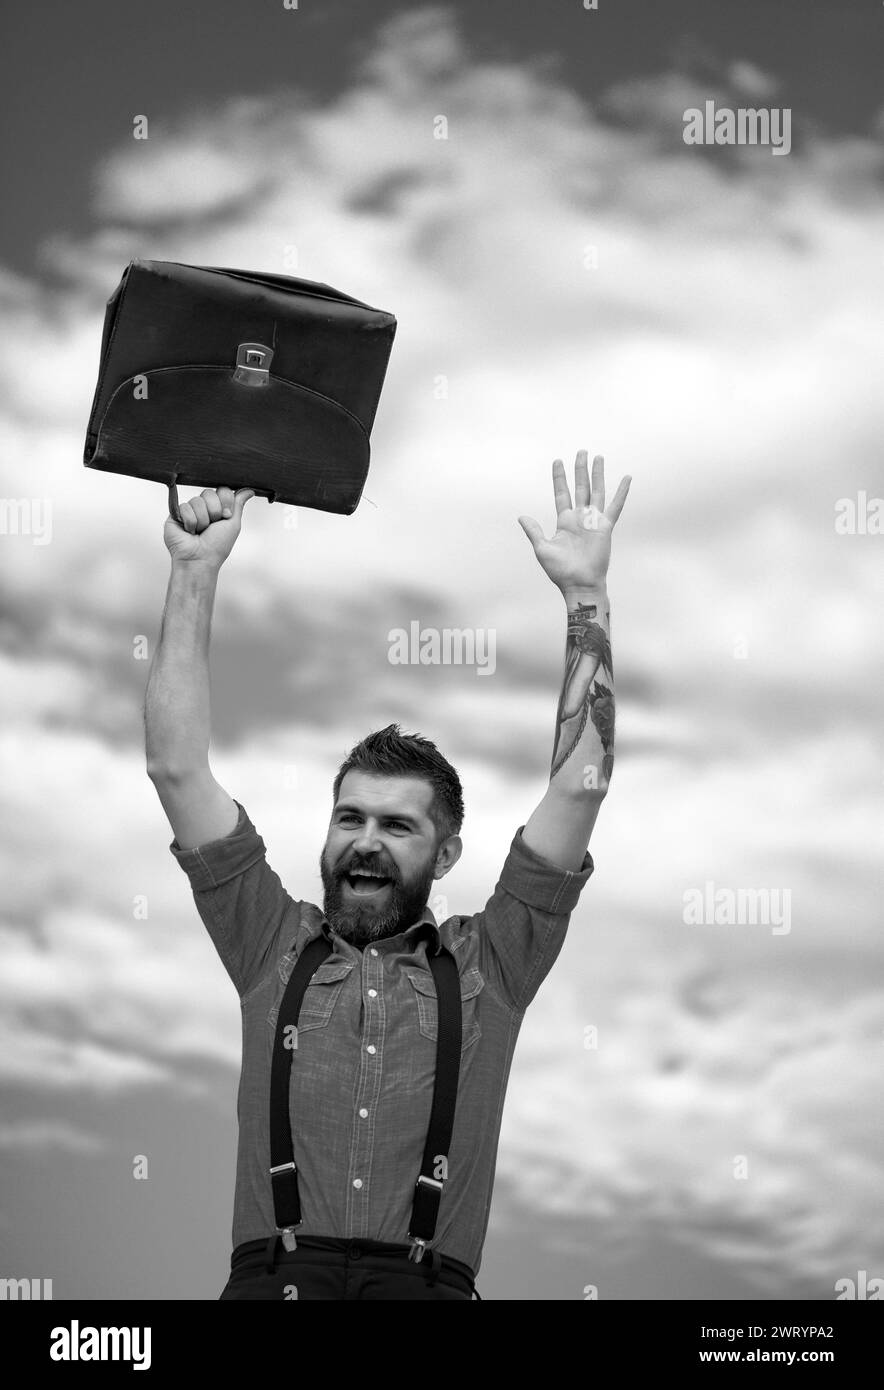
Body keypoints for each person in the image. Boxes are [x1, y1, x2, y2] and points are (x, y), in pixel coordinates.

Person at [145, 450, 631, 1300]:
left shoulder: (493, 966)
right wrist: (194, 569)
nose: (365, 842)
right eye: (350, 818)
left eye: (397, 826)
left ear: (445, 856)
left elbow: (581, 785)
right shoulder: (271, 940)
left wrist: (585, 598)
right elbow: (176, 768)